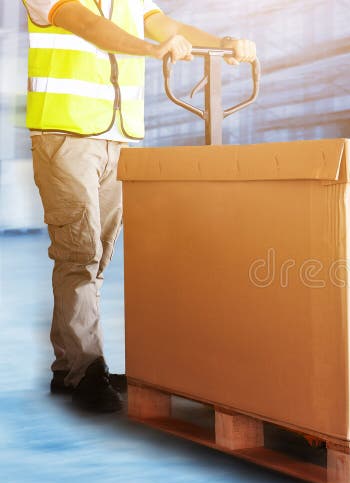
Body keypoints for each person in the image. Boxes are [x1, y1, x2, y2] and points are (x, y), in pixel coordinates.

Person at [21, 0, 257, 413]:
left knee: (99, 257)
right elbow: (86, 24)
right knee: (79, 253)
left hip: (118, 135)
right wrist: (152, 50)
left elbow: (165, 24)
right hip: (65, 134)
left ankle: (70, 367)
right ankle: (86, 369)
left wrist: (221, 44)